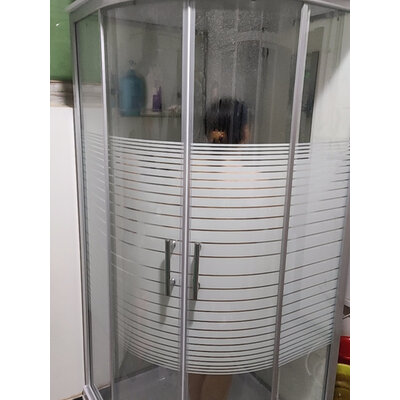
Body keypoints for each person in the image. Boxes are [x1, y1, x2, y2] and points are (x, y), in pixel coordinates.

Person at [189, 97, 250, 400]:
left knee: (198, 355)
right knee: (223, 363)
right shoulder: (254, 181)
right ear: (244, 132)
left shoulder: (189, 173)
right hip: (231, 287)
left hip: (196, 281)